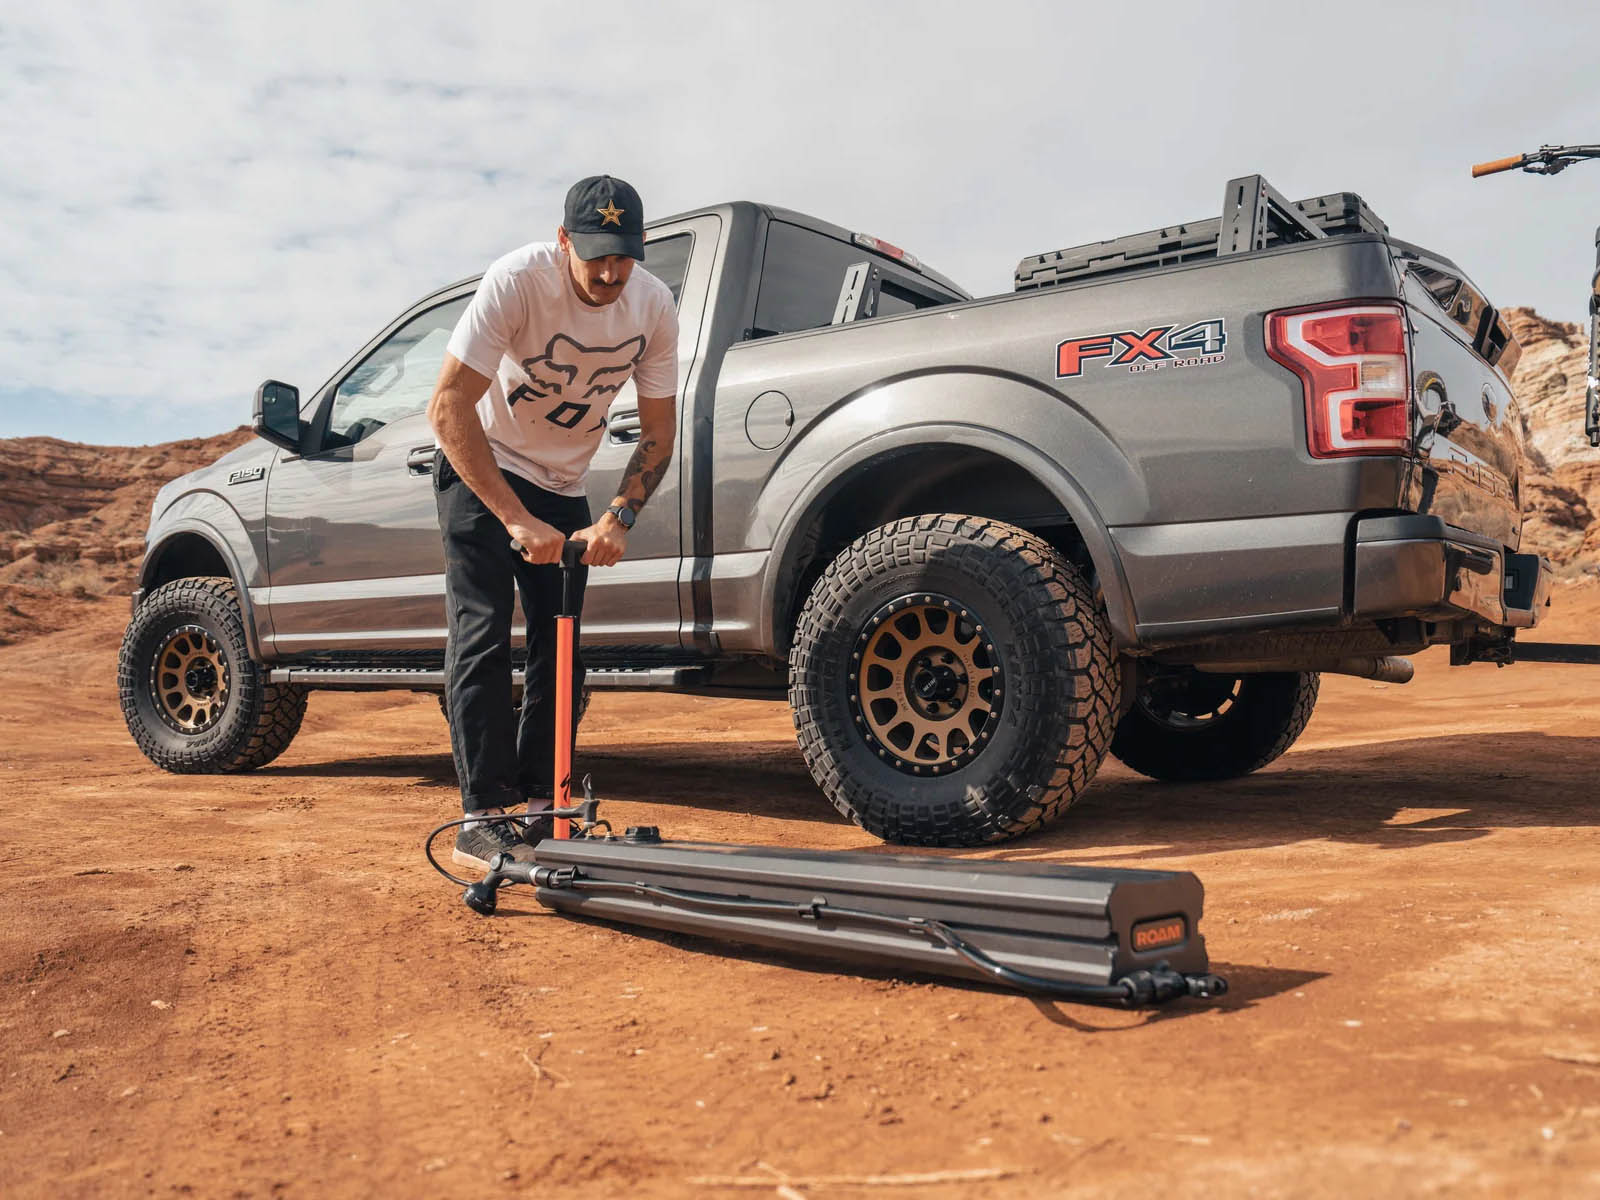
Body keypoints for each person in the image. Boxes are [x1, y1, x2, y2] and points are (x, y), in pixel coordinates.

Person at [426, 175, 678, 870]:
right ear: (564, 240)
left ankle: (546, 806)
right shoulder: (518, 281)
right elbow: (447, 407)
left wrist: (617, 517)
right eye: (595, 254)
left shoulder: (653, 307)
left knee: (560, 647)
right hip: (483, 467)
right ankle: (483, 814)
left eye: (623, 257)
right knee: (481, 633)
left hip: (563, 481)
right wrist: (513, 518)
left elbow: (659, 432)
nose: (608, 273)